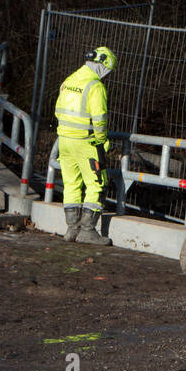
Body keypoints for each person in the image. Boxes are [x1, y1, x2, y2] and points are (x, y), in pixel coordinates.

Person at [54, 46, 117, 245]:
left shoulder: (69, 80)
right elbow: (99, 119)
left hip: (64, 140)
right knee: (97, 183)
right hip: (86, 142)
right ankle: (88, 230)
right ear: (103, 66)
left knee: (71, 183)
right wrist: (101, 140)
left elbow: (58, 111)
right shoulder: (95, 86)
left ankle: (72, 229)